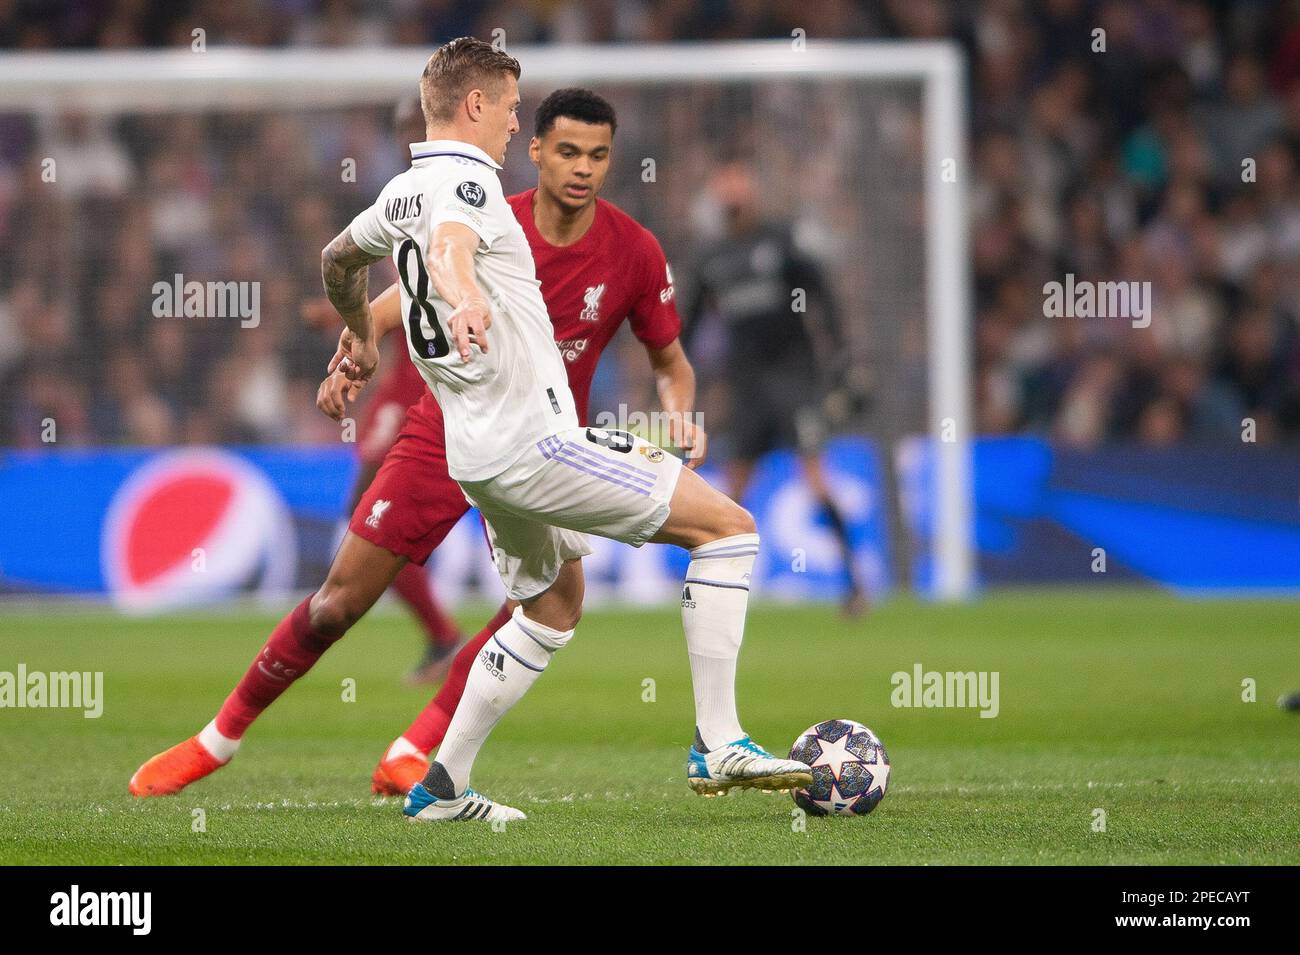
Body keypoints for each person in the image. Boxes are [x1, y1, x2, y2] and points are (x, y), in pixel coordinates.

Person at [126, 83, 708, 804]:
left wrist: (679, 416)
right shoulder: (489, 209)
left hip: (545, 444)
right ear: (533, 151)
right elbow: (421, 276)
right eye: (565, 150)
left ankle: (414, 753)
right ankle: (215, 740)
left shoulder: (635, 251)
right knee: (338, 601)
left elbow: (669, 362)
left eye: (597, 155)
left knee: (549, 604)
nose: (582, 168)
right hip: (446, 429)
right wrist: (359, 337)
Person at [324, 37, 811, 823]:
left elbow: (337, 260)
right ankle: (718, 740)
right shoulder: (474, 186)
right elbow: (450, 250)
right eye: (513, 109)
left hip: (477, 451)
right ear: (477, 105)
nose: (515, 126)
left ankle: (441, 787)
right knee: (729, 532)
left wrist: (359, 335)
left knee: (553, 605)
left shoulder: (400, 192)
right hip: (534, 444)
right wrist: (462, 295)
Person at [301, 94, 463, 687]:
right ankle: (447, 637)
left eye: (414, 126)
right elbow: (408, 299)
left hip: (428, 389)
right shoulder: (405, 194)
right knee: (370, 517)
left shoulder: (456, 192)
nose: (405, 136)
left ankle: (450, 638)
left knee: (371, 518)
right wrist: (345, 323)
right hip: (400, 382)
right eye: (399, 127)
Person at [686, 161, 868, 616]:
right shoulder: (712, 259)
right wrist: (676, 374)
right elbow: (688, 326)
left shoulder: (780, 241)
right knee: (733, 493)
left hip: (793, 380)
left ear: (752, 189)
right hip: (746, 387)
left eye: (738, 182)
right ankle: (712, 589)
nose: (733, 192)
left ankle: (855, 583)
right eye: (724, 184)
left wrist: (842, 356)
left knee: (815, 478)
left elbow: (822, 293)